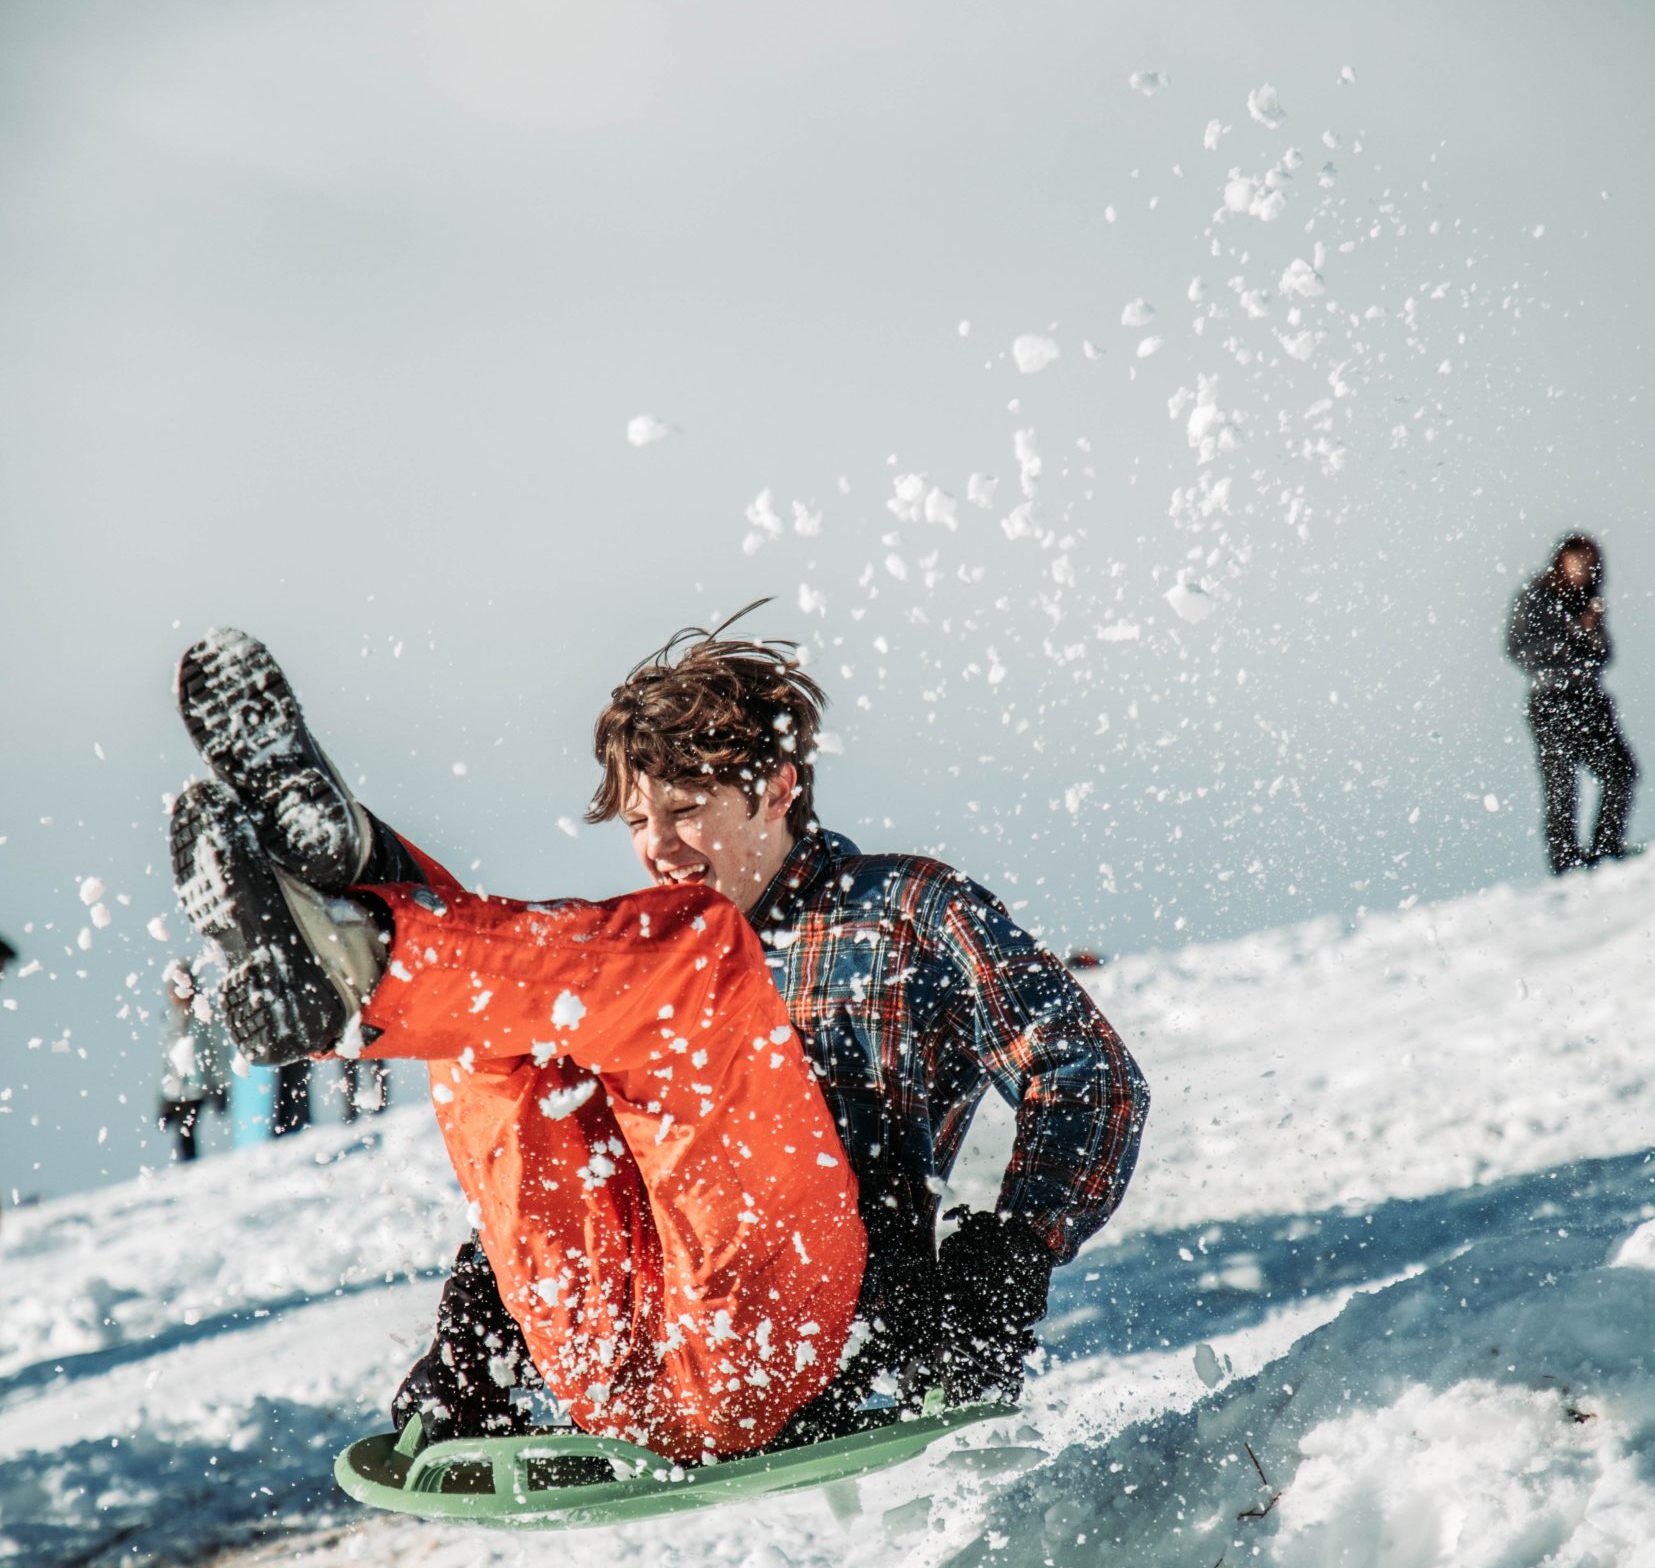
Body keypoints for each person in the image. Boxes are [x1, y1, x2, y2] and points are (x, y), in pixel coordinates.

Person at [167, 620, 1145, 1460]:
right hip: (617, 1364)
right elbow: (569, 1142)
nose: (659, 845)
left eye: (685, 810)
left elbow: (1088, 1074)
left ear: (774, 789)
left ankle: (364, 928)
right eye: (639, 818)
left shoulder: (905, 910)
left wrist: (1020, 1245)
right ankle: (349, 889)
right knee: (523, 1015)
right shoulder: (649, 963)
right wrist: (484, 1333)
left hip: (799, 1341)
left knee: (667, 952)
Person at [1506, 534, 1639, 875]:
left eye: (1589, 564)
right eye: (1577, 562)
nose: (1583, 570)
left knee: (1621, 771)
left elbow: (1604, 655)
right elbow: (1520, 648)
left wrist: (1591, 631)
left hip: (1589, 698)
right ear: (1562, 562)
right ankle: (1566, 865)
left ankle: (1606, 852)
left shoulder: (1588, 600)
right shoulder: (1538, 597)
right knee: (1561, 785)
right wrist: (1574, 636)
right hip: (1551, 700)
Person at [157, 956, 232, 1161]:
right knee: (183, 1130)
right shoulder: (169, 1019)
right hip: (176, 1088)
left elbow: (219, 1050)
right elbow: (165, 1060)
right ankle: (186, 1165)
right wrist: (162, 1099)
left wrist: (220, 1085)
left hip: (200, 1085)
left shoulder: (204, 1014)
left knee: (186, 1129)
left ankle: (191, 1167)